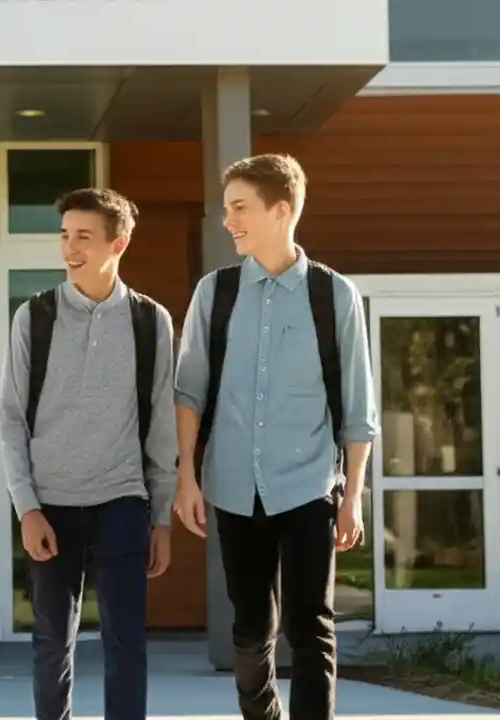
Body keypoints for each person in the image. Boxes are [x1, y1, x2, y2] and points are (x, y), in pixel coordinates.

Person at [172, 153, 379, 720]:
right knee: (250, 626)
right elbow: (187, 393)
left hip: (310, 482)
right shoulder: (214, 294)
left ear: (281, 209)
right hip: (234, 484)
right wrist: (185, 476)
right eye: (226, 208)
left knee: (311, 622)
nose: (228, 220)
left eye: (240, 207)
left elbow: (358, 409)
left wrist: (352, 495)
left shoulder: (333, 296)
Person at [0, 188, 177, 720]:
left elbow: (162, 425)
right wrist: (27, 507)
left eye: (83, 237)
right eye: (64, 236)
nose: (69, 248)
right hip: (51, 502)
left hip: (122, 499)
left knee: (127, 643)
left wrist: (162, 517)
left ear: (118, 243)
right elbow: (10, 417)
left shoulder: (151, 322)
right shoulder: (35, 317)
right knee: (54, 642)